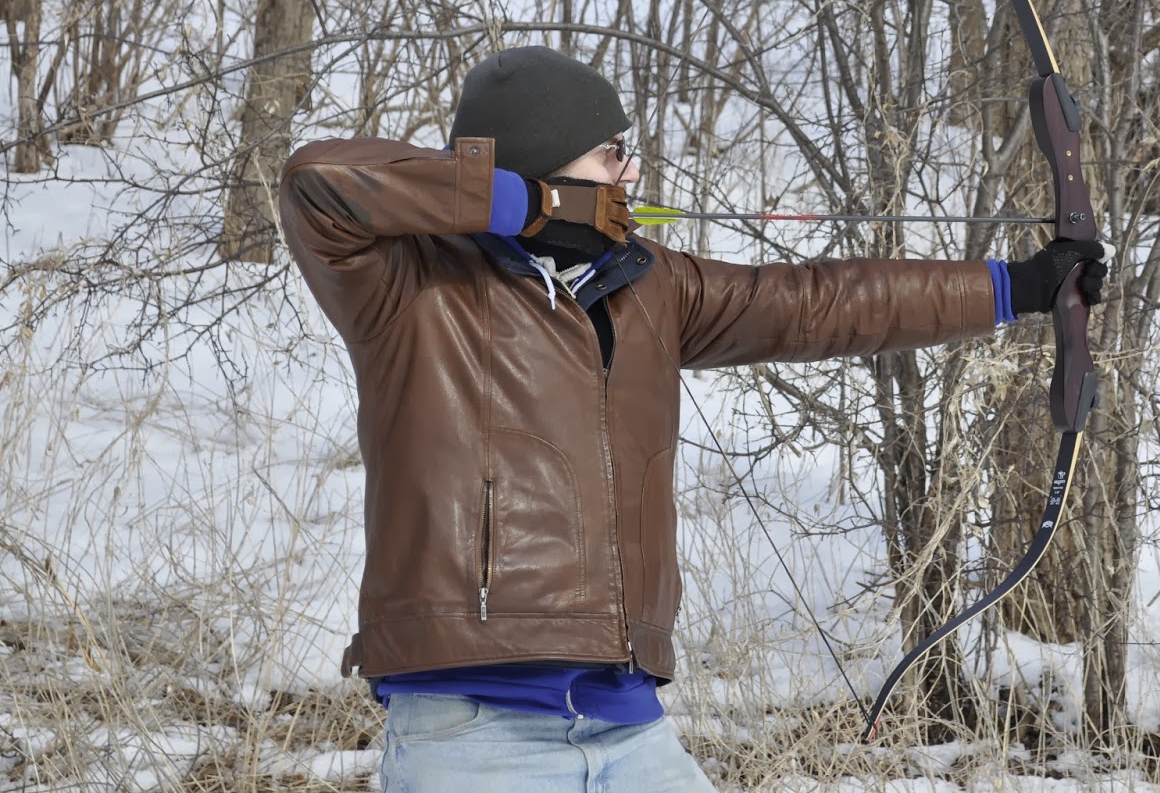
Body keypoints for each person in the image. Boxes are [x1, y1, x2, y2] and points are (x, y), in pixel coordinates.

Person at [278, 45, 1106, 791]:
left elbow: (812, 304)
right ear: (543, 166)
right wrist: (519, 204)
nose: (630, 174)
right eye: (611, 155)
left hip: (628, 727)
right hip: (472, 732)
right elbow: (316, 180)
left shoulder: (648, 285)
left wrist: (1019, 288)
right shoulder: (407, 290)